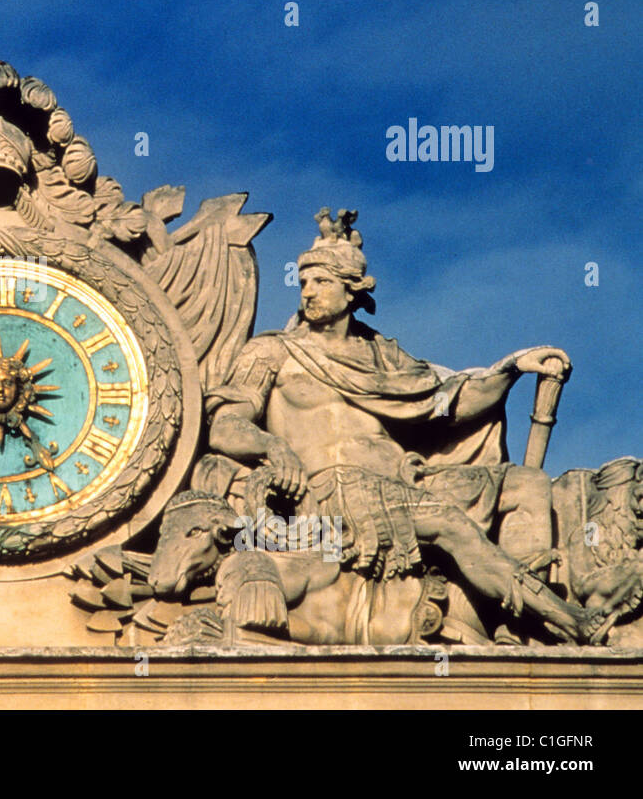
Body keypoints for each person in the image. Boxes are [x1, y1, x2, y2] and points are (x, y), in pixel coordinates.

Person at [205, 209, 603, 642]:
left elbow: (448, 401)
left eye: (320, 282)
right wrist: (274, 448)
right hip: (335, 492)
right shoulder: (273, 352)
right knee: (451, 526)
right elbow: (225, 425)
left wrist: (512, 368)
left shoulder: (383, 356)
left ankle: (517, 624)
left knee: (525, 484)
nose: (307, 292)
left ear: (351, 289)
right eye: (303, 283)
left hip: (405, 482)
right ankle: (564, 619)